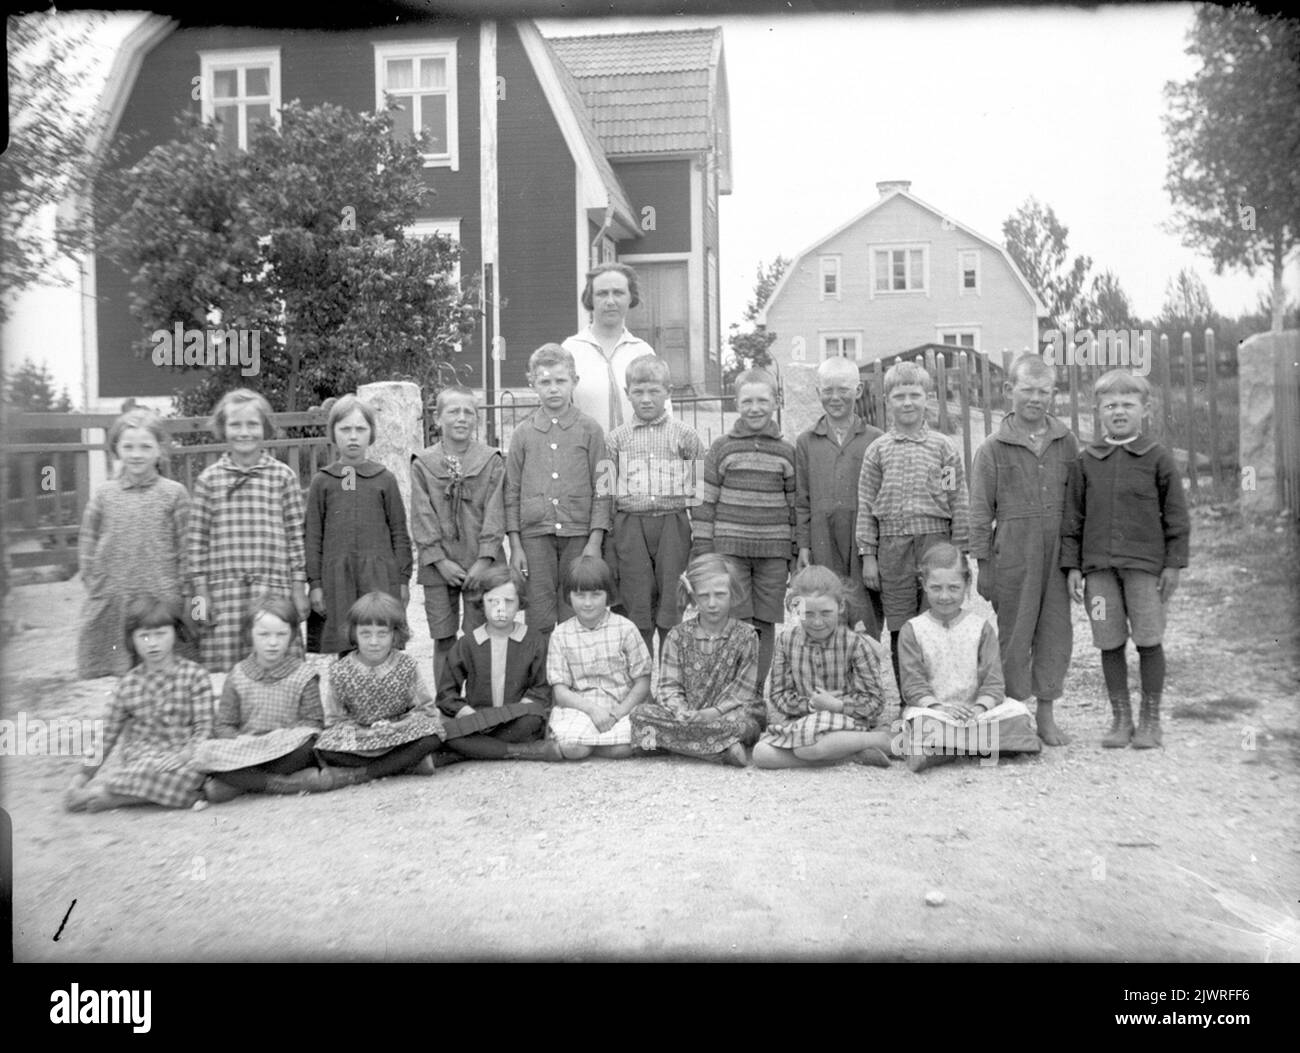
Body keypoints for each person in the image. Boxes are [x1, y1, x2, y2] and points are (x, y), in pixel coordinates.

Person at [1061, 369, 1190, 749]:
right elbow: (1073, 518)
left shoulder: (1158, 458)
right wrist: (1072, 566)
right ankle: (1121, 719)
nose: (1119, 412)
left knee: (1149, 639)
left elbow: (1177, 516)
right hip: (1098, 573)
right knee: (1108, 641)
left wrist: (1172, 563)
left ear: (1145, 409)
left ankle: (1150, 720)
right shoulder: (1087, 461)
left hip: (1144, 570)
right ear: (1097, 411)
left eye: (1128, 405)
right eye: (1110, 405)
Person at [969, 354, 1079, 746]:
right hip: (1013, 554)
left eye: (1044, 391)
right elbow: (979, 511)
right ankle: (1016, 713)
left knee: (1055, 632)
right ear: (1007, 391)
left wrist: (1076, 562)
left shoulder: (1066, 442)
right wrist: (983, 565)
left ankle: (1046, 715)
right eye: (1027, 390)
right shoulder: (993, 448)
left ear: (1053, 393)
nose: (1036, 398)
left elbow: (1079, 504)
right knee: (1015, 635)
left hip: (1057, 556)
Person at [856, 362, 970, 693]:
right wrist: (868, 555)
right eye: (900, 396)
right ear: (886, 400)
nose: (908, 403)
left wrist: (957, 552)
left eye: (915, 395)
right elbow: (866, 503)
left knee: (936, 620)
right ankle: (910, 699)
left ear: (927, 398)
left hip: (935, 544)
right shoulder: (878, 451)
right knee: (903, 626)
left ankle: (939, 696)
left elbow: (956, 496)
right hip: (893, 547)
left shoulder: (942, 447)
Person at [188, 389, 309, 672]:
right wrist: (200, 595)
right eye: (236, 425)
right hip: (224, 593)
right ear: (223, 428)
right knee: (231, 672)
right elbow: (196, 544)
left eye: (252, 424)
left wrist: (298, 588)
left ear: (265, 427)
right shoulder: (209, 480)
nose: (244, 432)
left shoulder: (283, 477)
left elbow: (295, 538)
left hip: (272, 588)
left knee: (277, 663)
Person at [897, 542, 1040, 773]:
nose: (945, 596)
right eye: (936, 588)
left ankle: (944, 750)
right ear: (923, 585)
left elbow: (994, 681)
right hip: (936, 712)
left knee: (1019, 715)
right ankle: (979, 747)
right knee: (919, 722)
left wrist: (979, 709)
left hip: (978, 712)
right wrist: (939, 708)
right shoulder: (912, 629)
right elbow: (912, 684)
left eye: (953, 588)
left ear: (967, 584)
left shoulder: (981, 628)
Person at [692, 367, 795, 685]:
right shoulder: (721, 447)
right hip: (730, 551)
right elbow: (704, 501)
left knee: (765, 623)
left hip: (773, 554)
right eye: (747, 400)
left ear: (775, 402)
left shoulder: (786, 450)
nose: (755, 408)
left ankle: (756, 693)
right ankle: (735, 690)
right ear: (736, 402)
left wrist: (792, 551)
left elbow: (794, 506)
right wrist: (704, 550)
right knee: (736, 620)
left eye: (762, 400)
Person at [65, 595, 212, 812]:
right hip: (143, 759)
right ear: (131, 639)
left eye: (161, 634)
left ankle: (112, 796)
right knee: (148, 770)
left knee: (196, 774)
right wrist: (81, 777)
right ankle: (176, 797)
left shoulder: (195, 675)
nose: (152, 643)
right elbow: (106, 736)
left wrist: (184, 755)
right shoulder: (128, 685)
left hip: (184, 757)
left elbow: (205, 727)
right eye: (143, 636)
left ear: (175, 633)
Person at [505, 344, 612, 635]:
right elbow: (511, 491)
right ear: (533, 384)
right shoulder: (522, 433)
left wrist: (594, 540)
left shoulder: (592, 430)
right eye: (545, 382)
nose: (553, 389)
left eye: (560, 381)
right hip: (534, 537)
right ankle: (541, 680)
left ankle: (573, 679)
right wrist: (515, 545)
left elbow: (605, 489)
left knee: (575, 611)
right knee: (539, 614)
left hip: (578, 535)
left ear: (574, 382)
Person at [77, 408, 191, 679]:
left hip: (161, 595)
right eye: (128, 446)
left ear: (160, 450)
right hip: (116, 594)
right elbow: (88, 539)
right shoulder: (105, 494)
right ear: (116, 449)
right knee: (122, 671)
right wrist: (93, 579)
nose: (136, 454)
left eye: (145, 446)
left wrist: (185, 590)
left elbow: (187, 546)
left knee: (165, 670)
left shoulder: (174, 493)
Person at [604, 354, 706, 656]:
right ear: (627, 394)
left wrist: (699, 536)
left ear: (668, 392)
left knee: (672, 602)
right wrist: (609, 539)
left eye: (654, 392)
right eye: (638, 392)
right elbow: (605, 492)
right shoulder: (614, 440)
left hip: (672, 524)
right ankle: (641, 685)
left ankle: (671, 682)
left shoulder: (686, 436)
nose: (646, 399)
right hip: (630, 526)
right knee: (637, 604)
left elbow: (699, 490)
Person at [409, 384, 506, 690]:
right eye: (453, 411)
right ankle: (446, 704)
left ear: (476, 418)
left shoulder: (491, 460)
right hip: (439, 566)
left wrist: (484, 559)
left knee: (481, 635)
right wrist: (439, 561)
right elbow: (421, 515)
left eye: (468, 412)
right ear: (438, 419)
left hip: (481, 562)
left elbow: (495, 511)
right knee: (443, 637)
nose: (461, 418)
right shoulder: (423, 463)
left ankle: (480, 702)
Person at [629, 554, 762, 767]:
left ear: (733, 594)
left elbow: (742, 692)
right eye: (703, 596)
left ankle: (669, 745)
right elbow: (668, 685)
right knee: (640, 714)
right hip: (688, 715)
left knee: (743, 724)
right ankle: (718, 752)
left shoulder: (747, 636)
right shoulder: (677, 635)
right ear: (693, 597)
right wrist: (681, 711)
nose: (712, 604)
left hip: (726, 714)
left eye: (720, 595)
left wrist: (712, 713)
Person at [305, 395, 412, 654]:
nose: (353, 436)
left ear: (371, 434)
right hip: (337, 579)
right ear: (333, 433)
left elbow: (399, 532)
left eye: (360, 429)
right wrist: (315, 583)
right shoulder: (323, 481)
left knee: (381, 641)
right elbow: (312, 535)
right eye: (345, 429)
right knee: (345, 642)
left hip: (378, 576)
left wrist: (403, 579)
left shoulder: (384, 479)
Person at [195, 596, 329, 801]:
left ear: (292, 635)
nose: (272, 643)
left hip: (286, 749)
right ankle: (287, 783)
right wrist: (243, 741)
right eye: (264, 634)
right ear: (250, 634)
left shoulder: (304, 675)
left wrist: (282, 739)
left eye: (281, 634)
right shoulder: (238, 674)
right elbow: (224, 725)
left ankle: (244, 784)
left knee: (311, 748)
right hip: (247, 748)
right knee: (205, 753)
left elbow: (313, 723)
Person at [312, 592, 445, 782]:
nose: (374, 642)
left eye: (382, 634)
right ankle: (405, 764)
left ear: (395, 634)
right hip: (361, 738)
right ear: (354, 633)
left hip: (399, 734)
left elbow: (426, 711)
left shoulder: (406, 665)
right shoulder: (340, 671)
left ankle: (365, 773)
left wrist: (396, 726)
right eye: (366, 634)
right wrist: (367, 732)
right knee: (325, 747)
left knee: (432, 734)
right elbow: (335, 722)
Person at [795, 356, 884, 640]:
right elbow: (802, 499)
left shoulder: (875, 439)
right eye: (828, 390)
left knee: (864, 608)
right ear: (818, 393)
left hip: (862, 535)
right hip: (823, 533)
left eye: (843, 390)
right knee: (825, 603)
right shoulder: (806, 441)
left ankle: (864, 671)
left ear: (857, 391)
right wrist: (804, 545)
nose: (836, 397)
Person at [436, 564, 559, 762]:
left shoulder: (534, 641)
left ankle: (469, 751)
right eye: (493, 601)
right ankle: (521, 751)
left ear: (520, 603)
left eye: (509, 601)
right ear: (482, 602)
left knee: (533, 719)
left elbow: (541, 689)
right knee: (444, 731)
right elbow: (446, 694)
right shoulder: (467, 643)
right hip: (476, 718)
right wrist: (468, 714)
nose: (501, 608)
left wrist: (516, 711)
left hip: (516, 720)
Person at [545, 555, 651, 760]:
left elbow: (643, 682)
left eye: (596, 595)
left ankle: (597, 746)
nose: (587, 603)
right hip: (582, 708)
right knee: (571, 747)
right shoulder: (561, 635)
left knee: (644, 741)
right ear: (568, 596)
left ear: (608, 595)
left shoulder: (625, 628)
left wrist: (617, 714)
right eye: (580, 595)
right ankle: (598, 746)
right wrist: (592, 710)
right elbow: (560, 691)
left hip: (623, 706)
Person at [563, 262, 664, 434]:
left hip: (636, 457)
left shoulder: (642, 352)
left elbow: (663, 413)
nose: (610, 301)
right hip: (585, 456)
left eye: (618, 293)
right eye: (602, 294)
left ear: (630, 297)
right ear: (591, 299)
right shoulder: (571, 350)